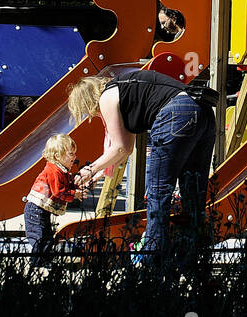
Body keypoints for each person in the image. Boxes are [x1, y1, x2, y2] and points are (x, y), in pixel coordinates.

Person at [68, 69, 217, 257]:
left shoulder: (107, 97)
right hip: (203, 110)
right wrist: (98, 172)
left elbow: (120, 147)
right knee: (194, 189)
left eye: (88, 111)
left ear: (88, 101)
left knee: (158, 190)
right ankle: (193, 253)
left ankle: (152, 255)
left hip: (176, 113)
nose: (94, 115)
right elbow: (127, 147)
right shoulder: (126, 87)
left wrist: (89, 170)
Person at [25, 133, 87, 267]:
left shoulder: (61, 170)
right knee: (40, 236)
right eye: (71, 154)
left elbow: (66, 186)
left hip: (41, 210)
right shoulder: (53, 171)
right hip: (35, 209)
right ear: (58, 156)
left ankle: (43, 259)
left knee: (47, 236)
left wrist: (76, 187)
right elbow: (58, 191)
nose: (75, 157)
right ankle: (37, 261)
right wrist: (74, 194)